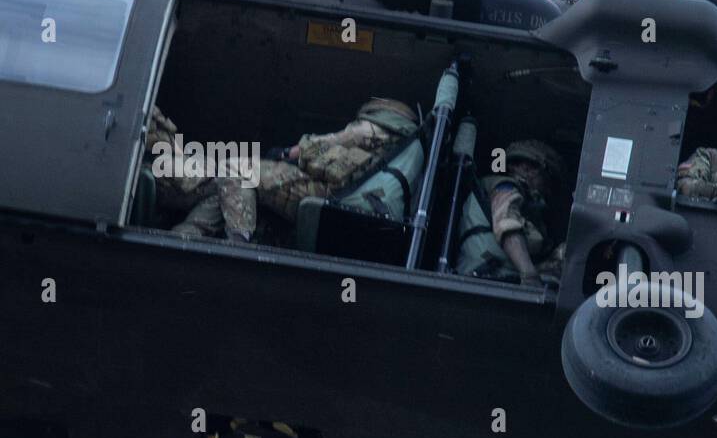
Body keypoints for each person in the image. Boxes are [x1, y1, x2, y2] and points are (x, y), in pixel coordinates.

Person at [218, 98, 420, 240]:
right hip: (358, 211)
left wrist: (286, 153)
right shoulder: (409, 148)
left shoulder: (376, 128)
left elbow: (326, 144)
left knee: (236, 168)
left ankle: (238, 243)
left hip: (332, 200)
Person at [456, 139, 566, 285]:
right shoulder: (505, 187)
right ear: (529, 169)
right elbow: (507, 225)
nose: (548, 189)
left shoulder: (528, 208)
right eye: (547, 178)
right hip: (485, 280)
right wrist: (529, 275)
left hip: (499, 277)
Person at [143, 106, 254, 241]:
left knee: (227, 187)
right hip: (162, 180)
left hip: (185, 185)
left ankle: (236, 239)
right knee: (231, 181)